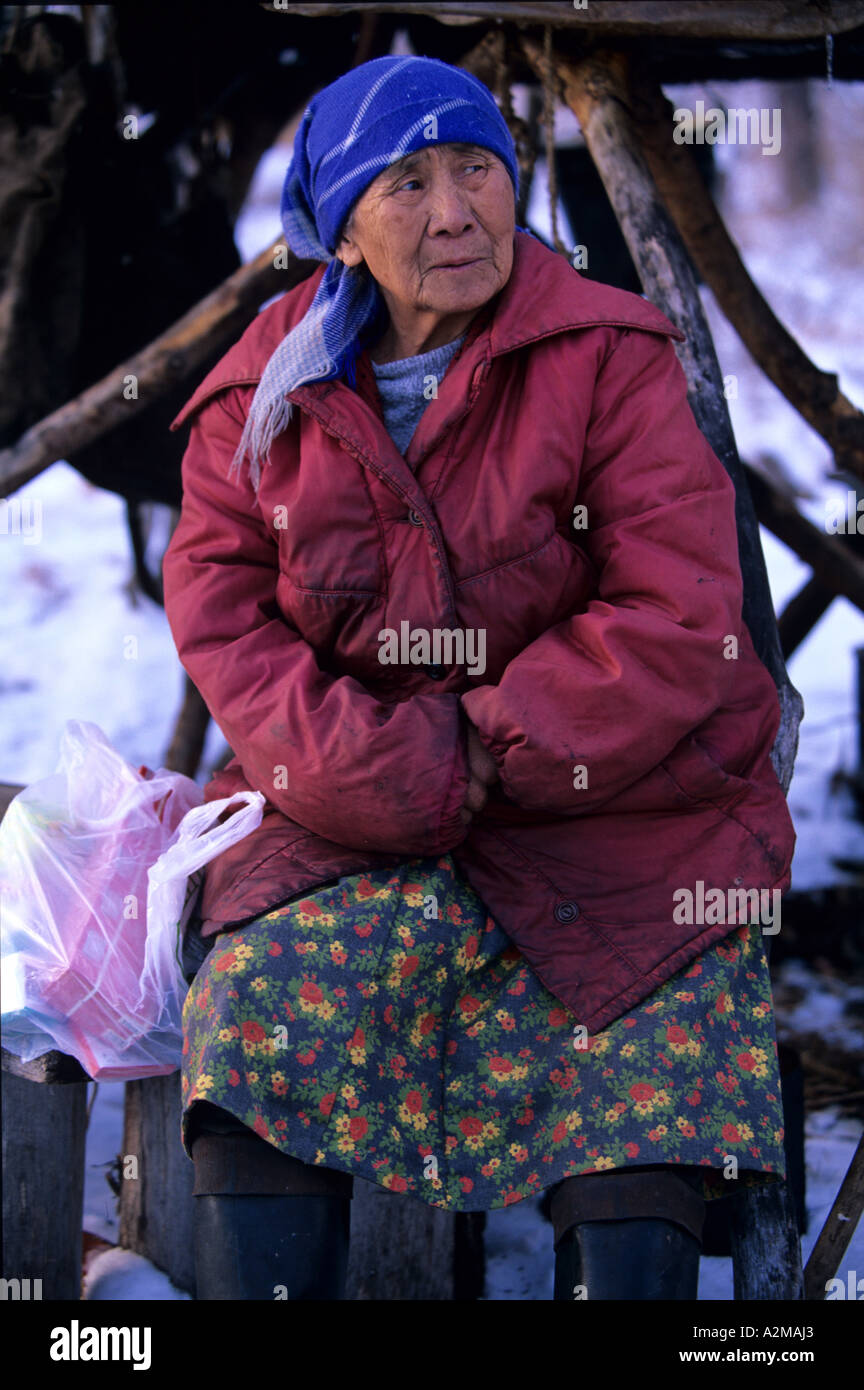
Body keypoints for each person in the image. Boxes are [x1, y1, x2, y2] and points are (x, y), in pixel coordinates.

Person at [162, 54, 796, 1302]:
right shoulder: (262, 394)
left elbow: (678, 613)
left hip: (617, 812)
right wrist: (370, 771)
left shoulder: (607, 355)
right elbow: (225, 619)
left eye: (477, 170)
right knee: (262, 1006)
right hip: (350, 819)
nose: (455, 211)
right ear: (340, 229)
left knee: (645, 1050)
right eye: (407, 181)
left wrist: (473, 745)